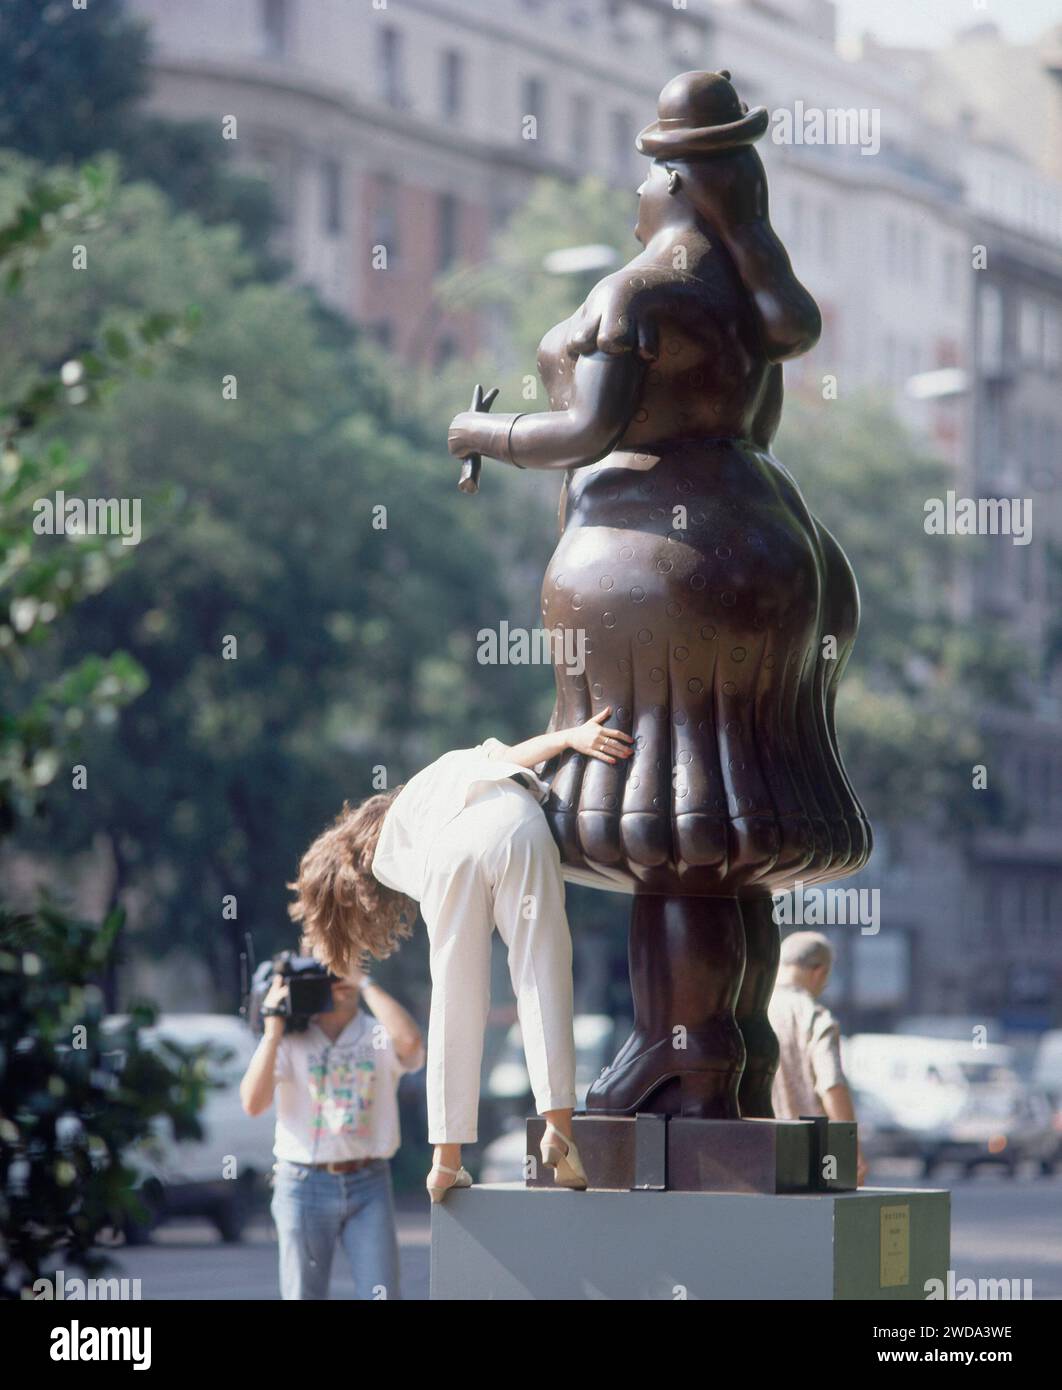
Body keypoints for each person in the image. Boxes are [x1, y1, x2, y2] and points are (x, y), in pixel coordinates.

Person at [446, 70, 870, 1122]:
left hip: (656, 576)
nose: (636, 193)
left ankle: (675, 1054)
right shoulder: (752, 301)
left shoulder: (638, 293)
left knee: (669, 830)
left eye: (648, 174)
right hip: (773, 549)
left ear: (675, 181)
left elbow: (585, 433)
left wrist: (480, 433)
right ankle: (724, 1066)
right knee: (729, 833)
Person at [287, 713, 633, 1202]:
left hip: (450, 860)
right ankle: (560, 1131)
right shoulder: (443, 771)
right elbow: (514, 756)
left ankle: (445, 1161)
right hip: (516, 828)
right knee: (542, 977)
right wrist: (573, 737)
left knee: (455, 1002)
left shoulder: (395, 855)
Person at [240, 962, 424, 1299]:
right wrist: (272, 1031)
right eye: (330, 968)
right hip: (302, 1184)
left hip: (369, 1181)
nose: (340, 976)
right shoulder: (290, 1038)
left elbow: (410, 1043)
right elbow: (253, 1103)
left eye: (349, 964)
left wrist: (366, 982)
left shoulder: (375, 1032)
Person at [768, 930, 868, 1184]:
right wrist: (852, 1152)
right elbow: (831, 1085)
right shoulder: (813, 1017)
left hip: (750, 1154)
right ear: (819, 972)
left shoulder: (750, 1010)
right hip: (806, 1157)